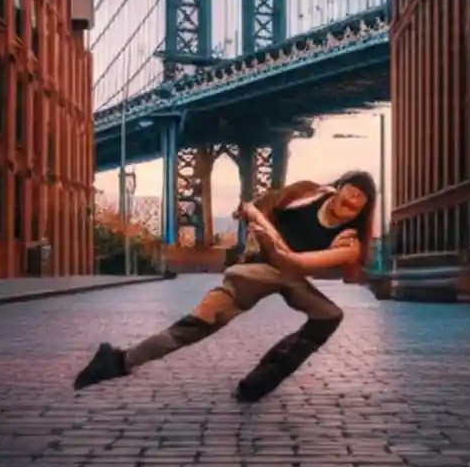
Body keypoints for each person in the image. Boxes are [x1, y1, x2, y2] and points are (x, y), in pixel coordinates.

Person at [73, 170, 378, 402]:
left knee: (328, 315)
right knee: (196, 324)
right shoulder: (308, 193)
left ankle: (265, 376)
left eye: (359, 202)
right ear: (337, 188)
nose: (350, 203)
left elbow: (295, 264)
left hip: (290, 272)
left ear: (364, 209)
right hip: (255, 270)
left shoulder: (349, 240)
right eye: (349, 193)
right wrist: (250, 210)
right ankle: (120, 360)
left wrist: (261, 224)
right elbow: (269, 200)